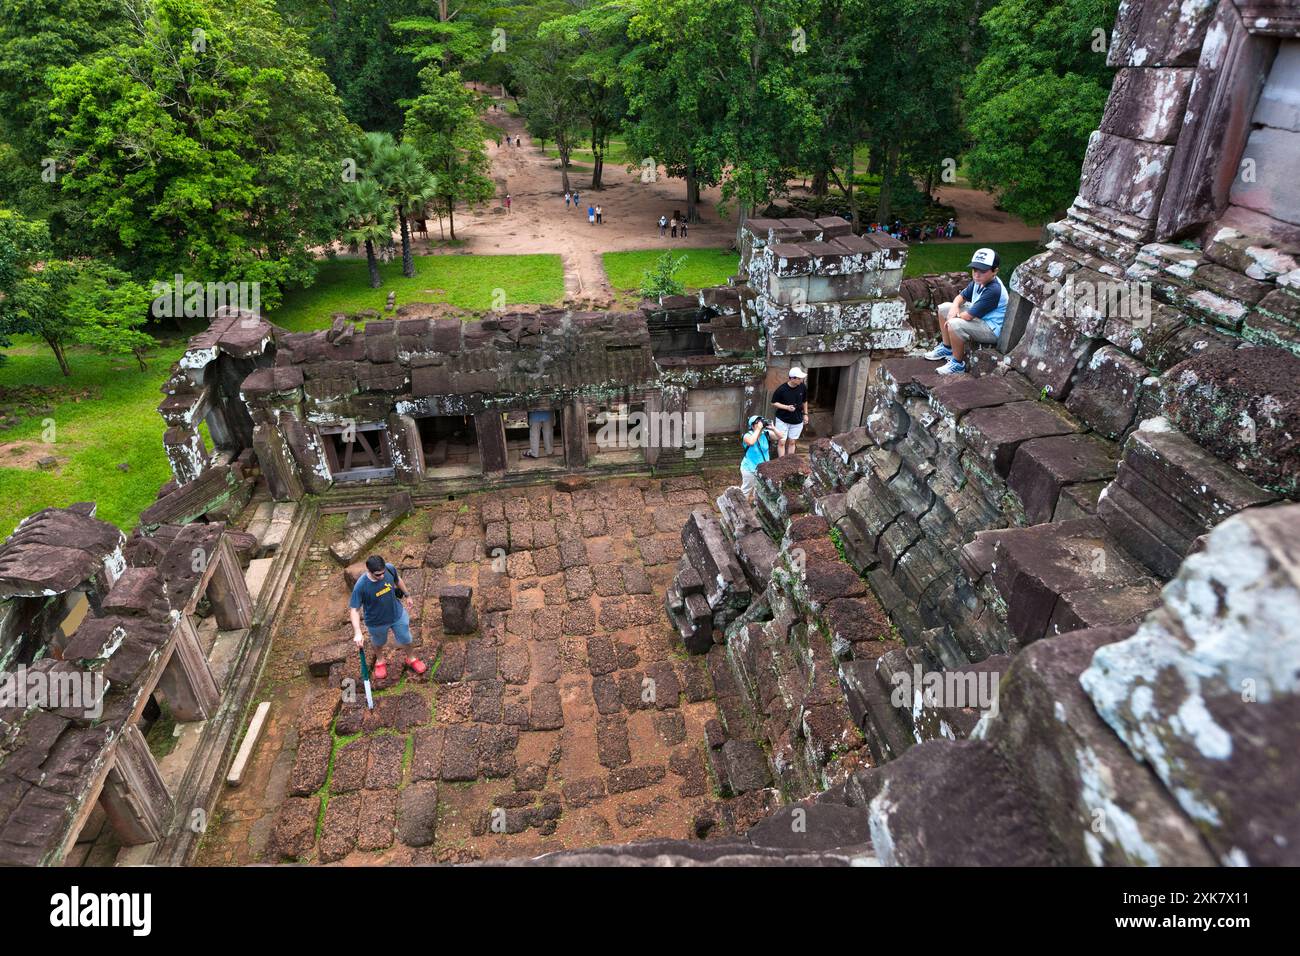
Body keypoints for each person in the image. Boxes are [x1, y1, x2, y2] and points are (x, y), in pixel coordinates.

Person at [924, 247, 1008, 376]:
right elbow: (961, 297)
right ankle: (947, 348)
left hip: (991, 328)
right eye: (975, 270)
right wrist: (954, 307)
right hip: (980, 318)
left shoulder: (994, 290)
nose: (977, 274)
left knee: (954, 324)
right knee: (944, 308)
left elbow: (968, 316)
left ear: (995, 271)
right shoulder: (979, 281)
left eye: (983, 271)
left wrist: (954, 317)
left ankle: (957, 364)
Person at [350, 555, 424, 679]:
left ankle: (411, 658)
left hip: (397, 614)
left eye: (383, 573)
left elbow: (397, 579)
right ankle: (380, 660)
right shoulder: (361, 586)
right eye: (378, 575)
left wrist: (407, 595)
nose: (382, 576)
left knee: (406, 638)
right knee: (379, 642)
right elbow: (354, 610)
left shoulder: (389, 569)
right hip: (376, 622)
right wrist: (357, 632)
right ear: (369, 571)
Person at [771, 366, 809, 457]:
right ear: (792, 378)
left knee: (792, 442)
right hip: (783, 419)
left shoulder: (802, 387)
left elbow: (805, 401)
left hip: (797, 419)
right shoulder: (781, 389)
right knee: (781, 442)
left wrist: (806, 414)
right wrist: (786, 407)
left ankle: (790, 461)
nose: (801, 380)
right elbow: (774, 403)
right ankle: (782, 461)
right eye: (799, 378)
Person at [739, 415, 773, 499]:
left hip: (763, 468)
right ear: (753, 425)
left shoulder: (765, 434)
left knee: (760, 489)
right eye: (758, 422)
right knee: (746, 489)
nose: (761, 424)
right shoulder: (746, 436)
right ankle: (740, 506)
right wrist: (758, 429)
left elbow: (781, 436)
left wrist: (773, 428)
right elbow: (751, 442)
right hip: (749, 468)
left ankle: (757, 505)